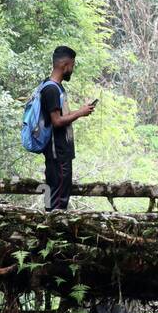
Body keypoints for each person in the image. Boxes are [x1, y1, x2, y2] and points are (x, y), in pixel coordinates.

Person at [41, 46, 96, 211]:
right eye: (72, 65)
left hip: (57, 152)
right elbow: (57, 121)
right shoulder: (51, 89)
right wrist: (80, 112)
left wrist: (81, 111)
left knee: (53, 195)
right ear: (65, 65)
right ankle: (53, 232)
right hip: (58, 153)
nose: (72, 69)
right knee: (58, 199)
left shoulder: (54, 87)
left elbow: (59, 116)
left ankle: (46, 230)